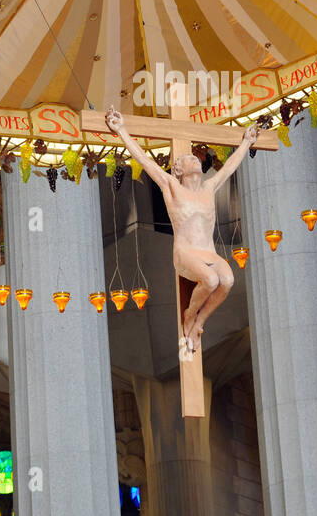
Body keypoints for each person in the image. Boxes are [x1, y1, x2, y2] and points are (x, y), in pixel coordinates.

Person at [105, 107, 259, 351]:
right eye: (188, 159)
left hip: (209, 252)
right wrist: (122, 130)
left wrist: (246, 142)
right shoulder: (171, 186)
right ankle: (189, 315)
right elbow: (144, 160)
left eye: (196, 158)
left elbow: (229, 168)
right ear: (178, 170)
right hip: (185, 252)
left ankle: (200, 320)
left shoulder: (209, 188)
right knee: (210, 279)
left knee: (227, 280)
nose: (194, 159)